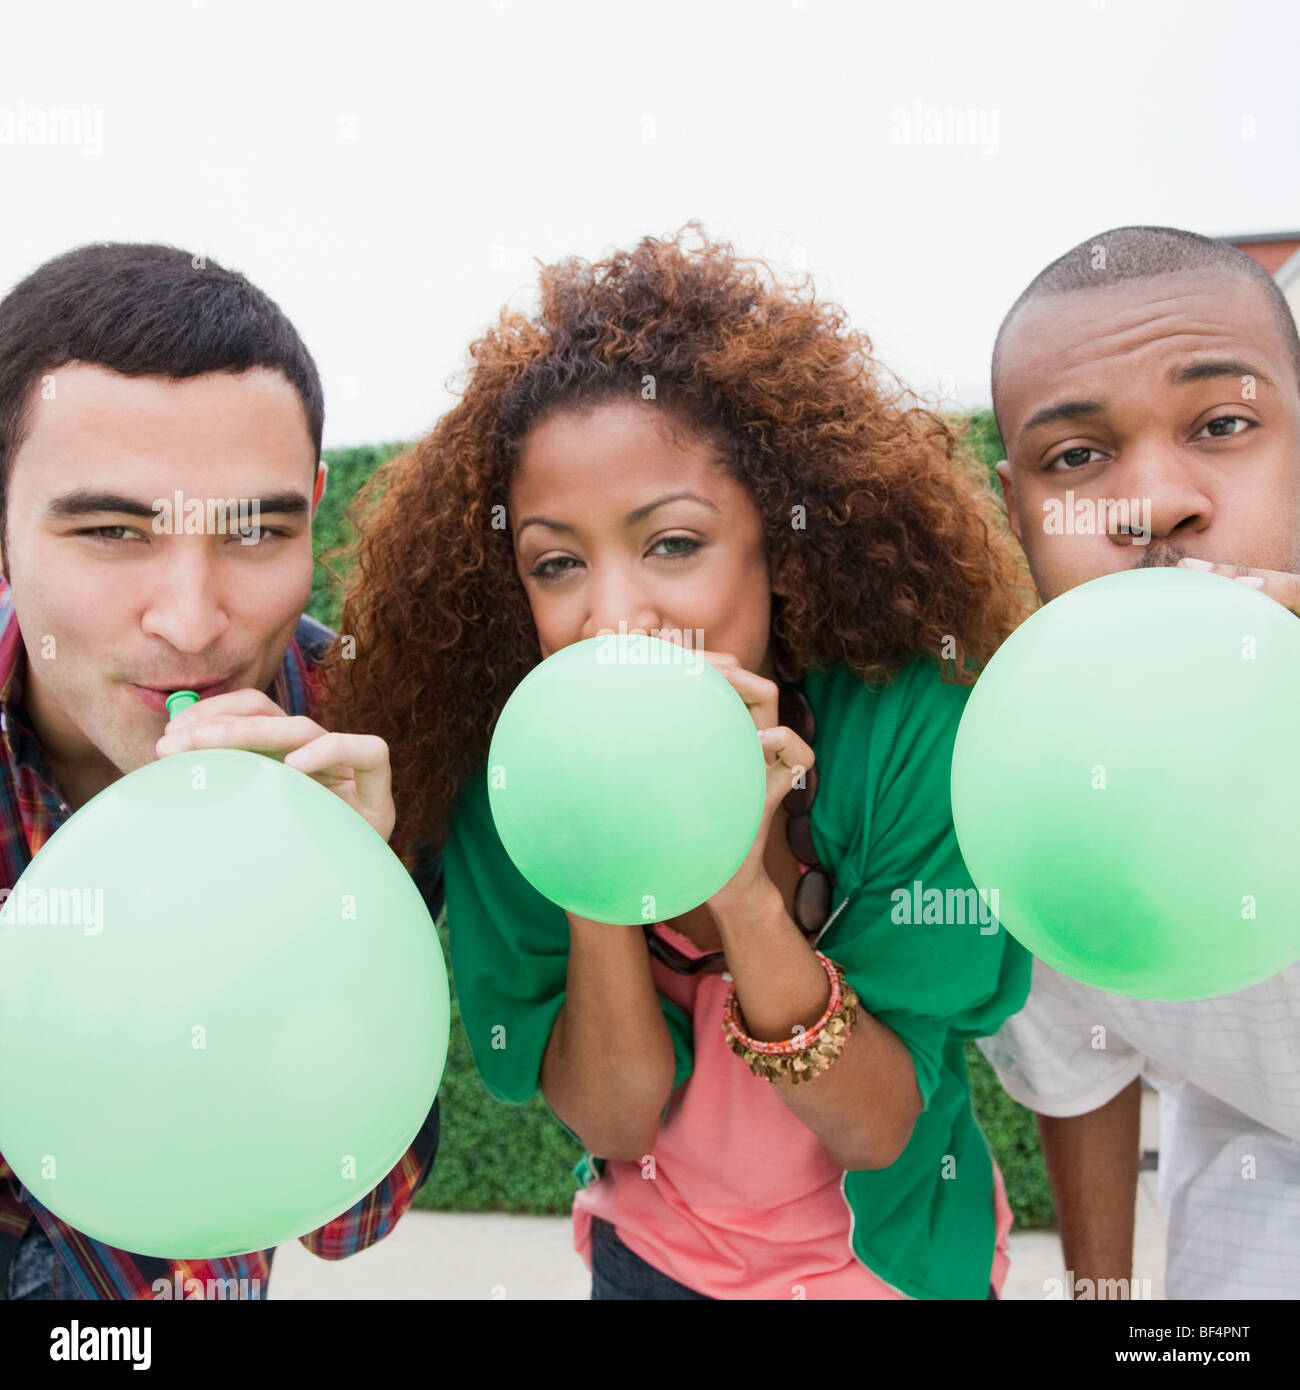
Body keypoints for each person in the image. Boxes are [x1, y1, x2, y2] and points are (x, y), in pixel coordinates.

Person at [324, 226, 1033, 1300]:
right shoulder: (506, 780)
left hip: (892, 1267)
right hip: (650, 1261)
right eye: (557, 563)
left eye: (672, 543)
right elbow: (615, 1115)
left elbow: (882, 1127)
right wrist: (597, 853)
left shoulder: (909, 726)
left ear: (780, 540)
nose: (614, 617)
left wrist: (741, 890)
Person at [0, 243, 440, 1300]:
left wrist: (349, 897)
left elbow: (352, 1217)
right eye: (110, 530)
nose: (194, 621)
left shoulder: (365, 732)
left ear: (316, 504)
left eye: (253, 530)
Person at [978, 224, 1300, 1299]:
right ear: (1014, 508)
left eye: (1222, 424)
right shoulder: (1022, 791)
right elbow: (1081, 1065)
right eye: (1073, 458)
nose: (1154, 503)